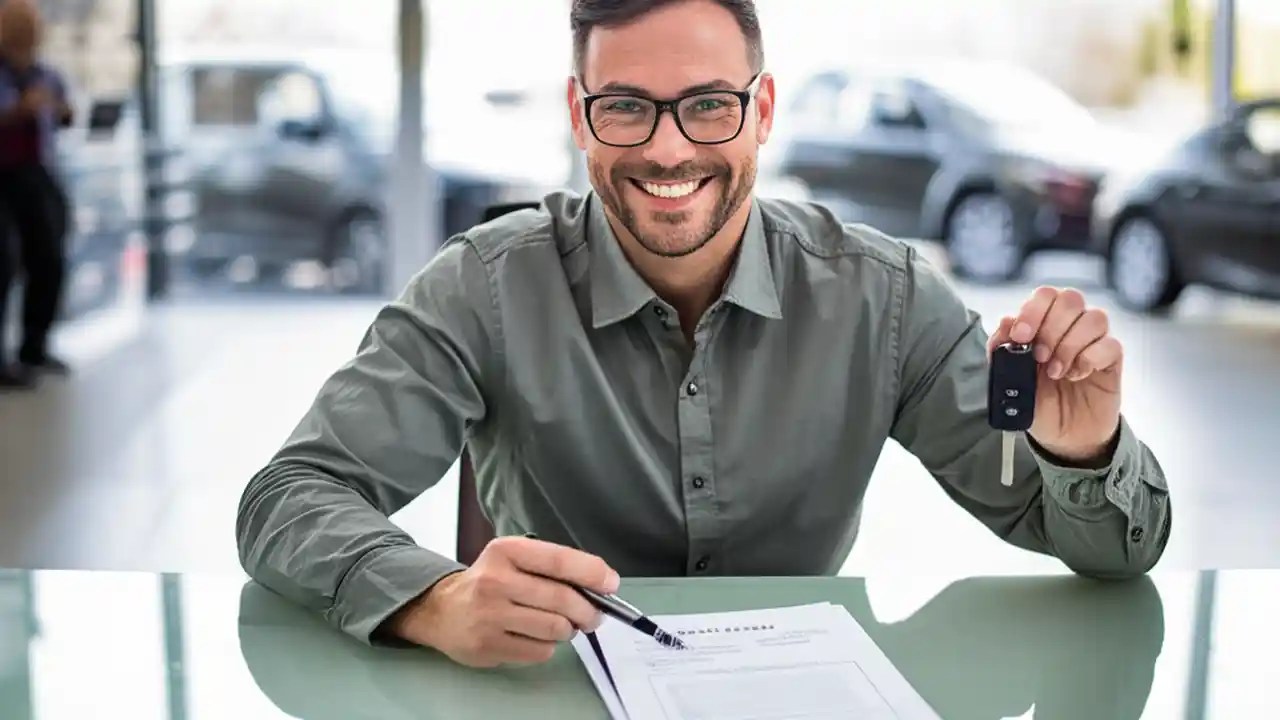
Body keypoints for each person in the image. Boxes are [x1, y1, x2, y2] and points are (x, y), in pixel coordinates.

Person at [237, 0, 1172, 669]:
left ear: (761, 112)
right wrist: (433, 600)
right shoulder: (483, 284)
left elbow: (1116, 553)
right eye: (627, 106)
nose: (670, 147)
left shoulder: (883, 297)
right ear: (580, 117)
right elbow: (287, 497)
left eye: (709, 104)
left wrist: (1083, 447)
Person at [0, 0, 73, 390]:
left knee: (49, 259)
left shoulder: (45, 73)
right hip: (3, 176)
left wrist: (58, 108)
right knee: (2, 264)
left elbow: (65, 116)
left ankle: (35, 347)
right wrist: (20, 109)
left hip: (36, 173)